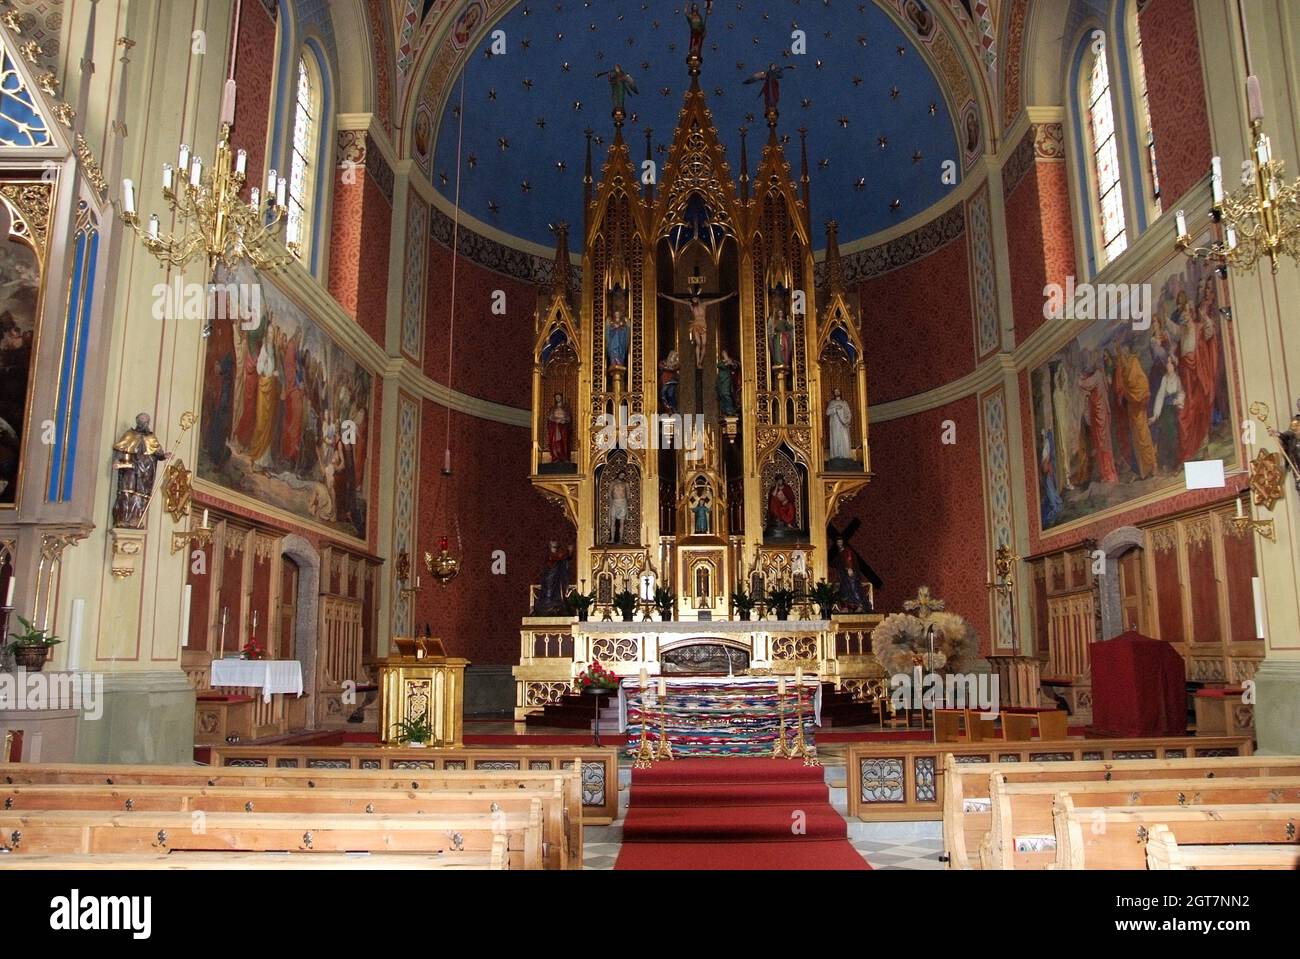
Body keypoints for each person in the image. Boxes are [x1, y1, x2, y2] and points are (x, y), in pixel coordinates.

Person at [112, 413, 171, 528]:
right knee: (126, 491)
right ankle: (123, 518)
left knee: (140, 495)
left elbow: (158, 453)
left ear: (148, 423)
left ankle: (135, 519)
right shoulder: (129, 435)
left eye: (145, 421)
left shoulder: (151, 438)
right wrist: (116, 461)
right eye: (141, 421)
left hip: (146, 470)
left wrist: (165, 455)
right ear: (137, 422)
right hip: (130, 468)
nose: (143, 424)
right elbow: (121, 449)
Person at [534, 541, 572, 615]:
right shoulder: (550, 556)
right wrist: (568, 551)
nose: (555, 549)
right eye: (553, 547)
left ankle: (556, 603)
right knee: (548, 592)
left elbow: (564, 560)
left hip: (556, 580)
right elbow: (558, 557)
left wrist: (569, 553)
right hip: (548, 579)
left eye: (556, 547)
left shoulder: (558, 558)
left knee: (556, 593)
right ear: (550, 547)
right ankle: (547, 603)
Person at [826, 388, 853, 464]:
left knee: (844, 438)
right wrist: (835, 409)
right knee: (836, 438)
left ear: (840, 392)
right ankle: (836, 455)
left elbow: (849, 413)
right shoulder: (832, 403)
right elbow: (827, 412)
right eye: (835, 391)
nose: (837, 392)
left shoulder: (844, 403)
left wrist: (847, 421)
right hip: (835, 424)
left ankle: (845, 455)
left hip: (843, 424)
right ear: (834, 393)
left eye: (838, 391)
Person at [546, 393, 571, 464]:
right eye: (556, 397)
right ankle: (555, 457)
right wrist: (555, 420)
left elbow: (569, 418)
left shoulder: (565, 408)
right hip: (555, 427)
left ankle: (564, 457)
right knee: (555, 442)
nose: (558, 398)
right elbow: (549, 418)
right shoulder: (553, 408)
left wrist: (564, 420)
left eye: (559, 397)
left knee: (564, 441)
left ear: (561, 398)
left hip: (563, 427)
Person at [609, 477, 629, 544]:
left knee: (622, 522)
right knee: (612, 521)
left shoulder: (625, 483)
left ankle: (621, 539)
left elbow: (628, 494)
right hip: (615, 502)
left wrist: (626, 503)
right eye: (621, 474)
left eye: (624, 475)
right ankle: (612, 539)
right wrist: (611, 502)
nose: (622, 476)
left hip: (623, 502)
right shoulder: (613, 482)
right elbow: (609, 493)